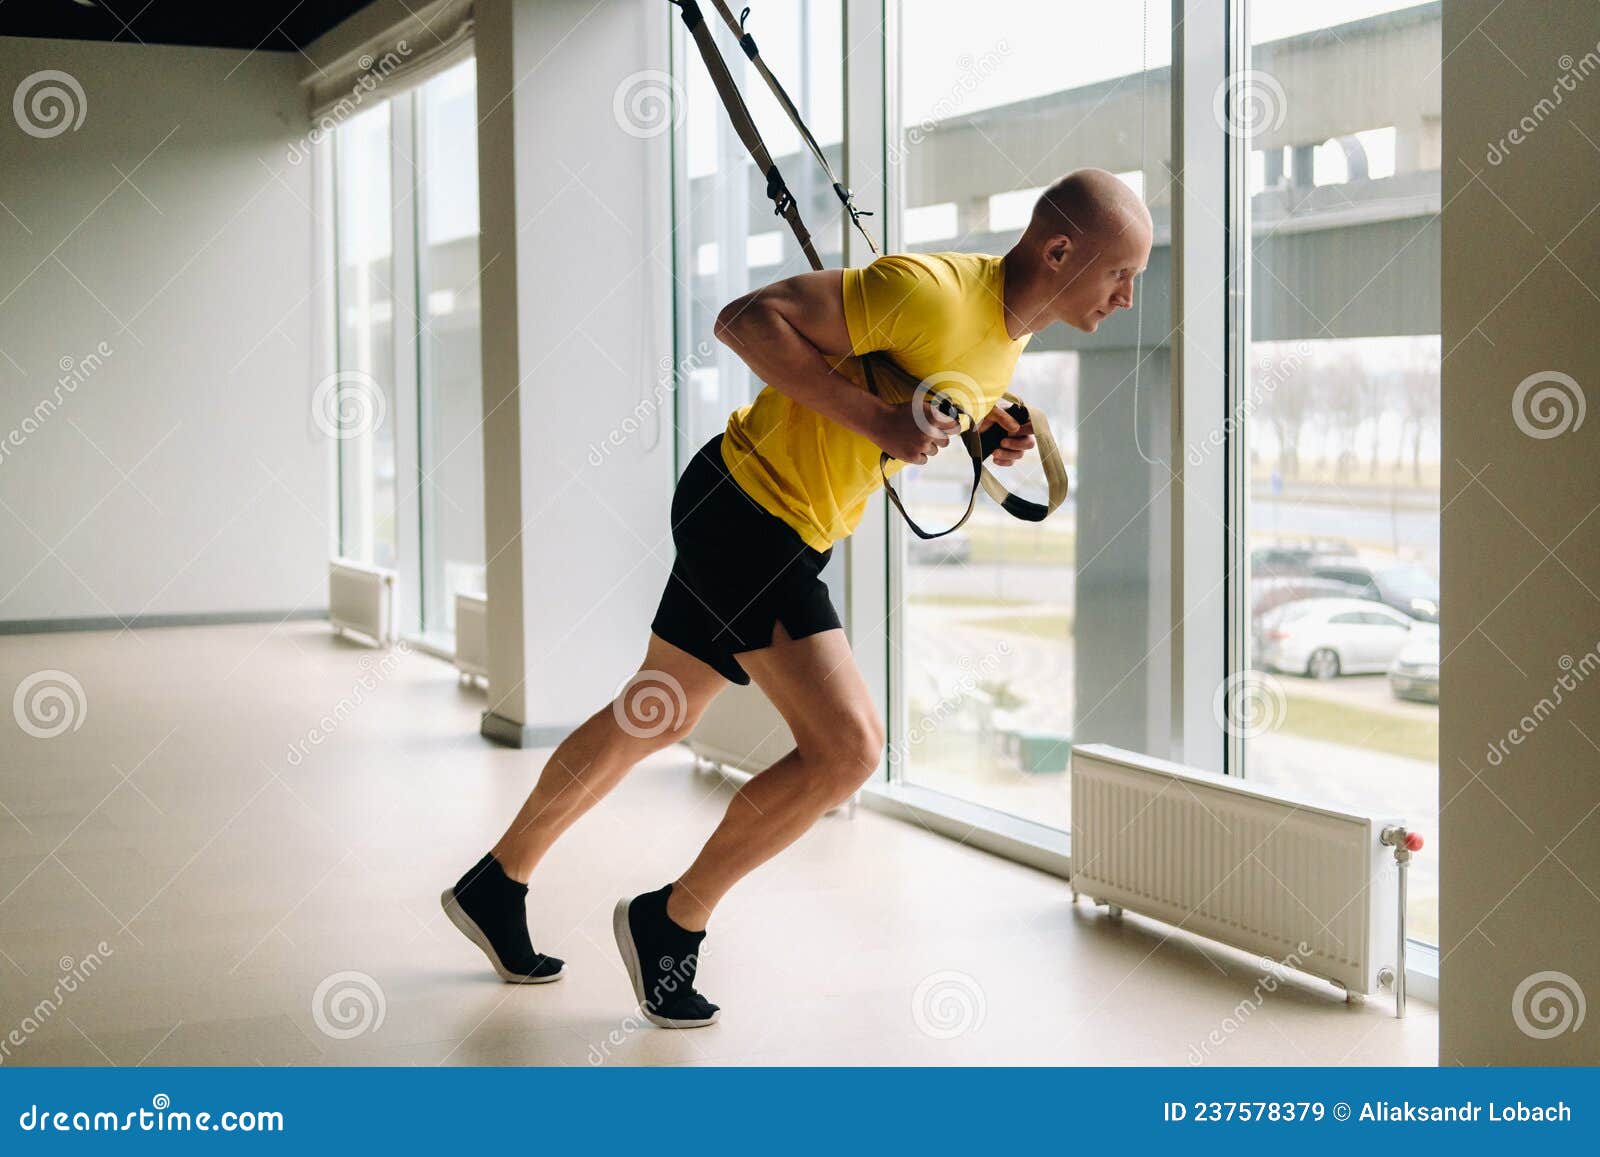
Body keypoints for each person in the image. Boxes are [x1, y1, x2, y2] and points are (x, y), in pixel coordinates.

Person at [441, 168, 1153, 1028]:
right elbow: (744, 321)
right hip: (751, 511)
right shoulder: (928, 290)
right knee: (850, 748)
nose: (1127, 296)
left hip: (759, 514)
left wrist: (984, 418)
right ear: (1062, 249)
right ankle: (671, 921)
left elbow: (925, 376)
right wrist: (881, 423)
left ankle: (495, 882)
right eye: (1122, 273)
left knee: (654, 713)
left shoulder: (1006, 331)